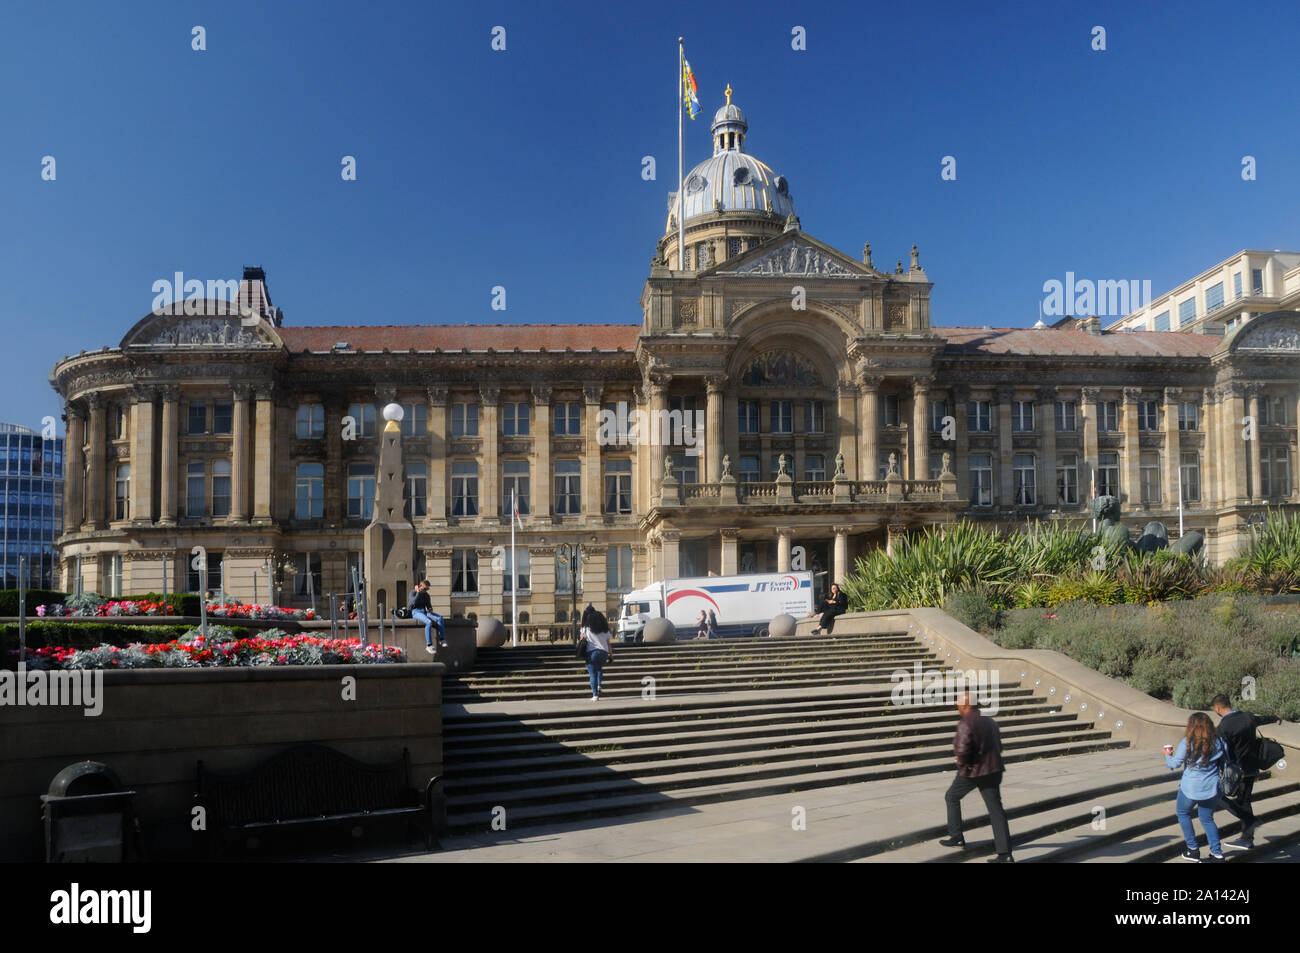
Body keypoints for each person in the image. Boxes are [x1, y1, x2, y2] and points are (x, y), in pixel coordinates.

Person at [939, 691, 1013, 862]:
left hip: (973, 771)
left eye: (958, 703)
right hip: (994, 770)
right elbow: (999, 746)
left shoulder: (965, 722)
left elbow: (962, 750)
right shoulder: (989, 721)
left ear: (965, 705)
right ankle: (1005, 854)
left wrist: (961, 762)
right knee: (996, 811)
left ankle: (956, 836)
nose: (957, 706)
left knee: (951, 796)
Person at [1211, 694, 1284, 850]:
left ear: (1217, 708)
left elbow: (1220, 750)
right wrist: (1275, 717)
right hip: (1252, 768)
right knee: (1244, 801)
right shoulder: (1247, 717)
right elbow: (1263, 719)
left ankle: (1248, 833)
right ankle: (1247, 836)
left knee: (1226, 798)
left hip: (1236, 772)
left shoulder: (1223, 727)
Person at [1165, 711, 1227, 862]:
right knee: (1207, 819)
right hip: (1211, 787)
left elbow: (1174, 764)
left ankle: (1193, 850)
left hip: (1190, 787)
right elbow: (1225, 764)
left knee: (1183, 814)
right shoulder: (1219, 741)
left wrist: (1167, 754)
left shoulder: (1187, 742)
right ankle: (1217, 853)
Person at [582, 609, 613, 701]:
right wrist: (611, 655)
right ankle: (599, 685)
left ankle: (595, 695)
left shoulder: (586, 629)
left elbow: (581, 639)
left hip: (591, 653)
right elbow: (608, 644)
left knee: (592, 674)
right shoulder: (605, 630)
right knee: (599, 668)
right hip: (604, 653)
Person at [407, 580, 445, 654]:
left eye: (427, 589)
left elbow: (428, 605)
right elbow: (412, 603)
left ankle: (442, 639)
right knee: (429, 622)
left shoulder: (426, 595)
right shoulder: (413, 592)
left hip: (424, 611)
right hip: (415, 612)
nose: (425, 591)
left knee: (440, 618)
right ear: (419, 586)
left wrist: (430, 609)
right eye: (424, 589)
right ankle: (429, 645)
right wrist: (418, 592)